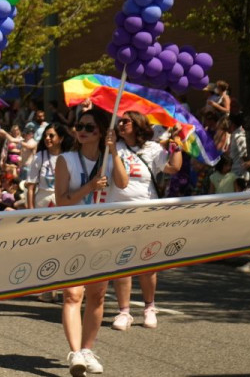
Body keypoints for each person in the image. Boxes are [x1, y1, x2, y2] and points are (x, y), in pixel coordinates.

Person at [106, 111, 182, 331]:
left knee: (147, 262)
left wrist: (176, 144)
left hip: (147, 212)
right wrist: (110, 149)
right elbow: (118, 182)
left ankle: (149, 307)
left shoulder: (152, 149)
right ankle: (124, 311)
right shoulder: (112, 147)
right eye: (120, 121)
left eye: (126, 121)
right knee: (123, 261)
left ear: (138, 125)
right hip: (118, 211)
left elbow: (173, 168)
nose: (121, 124)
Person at [54, 108, 111, 376]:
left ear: (101, 132)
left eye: (90, 127)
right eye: (80, 126)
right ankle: (75, 352)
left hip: (103, 233)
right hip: (72, 233)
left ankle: (88, 349)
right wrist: (89, 187)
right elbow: (61, 201)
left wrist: (114, 151)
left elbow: (122, 182)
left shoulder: (109, 159)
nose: (82, 131)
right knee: (72, 294)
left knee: (97, 294)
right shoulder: (66, 160)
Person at [25, 123, 70, 210]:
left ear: (61, 138)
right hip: (42, 204)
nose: (47, 138)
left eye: (51, 136)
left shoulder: (69, 157)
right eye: (45, 136)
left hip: (63, 204)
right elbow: (31, 187)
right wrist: (31, 209)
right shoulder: (39, 156)